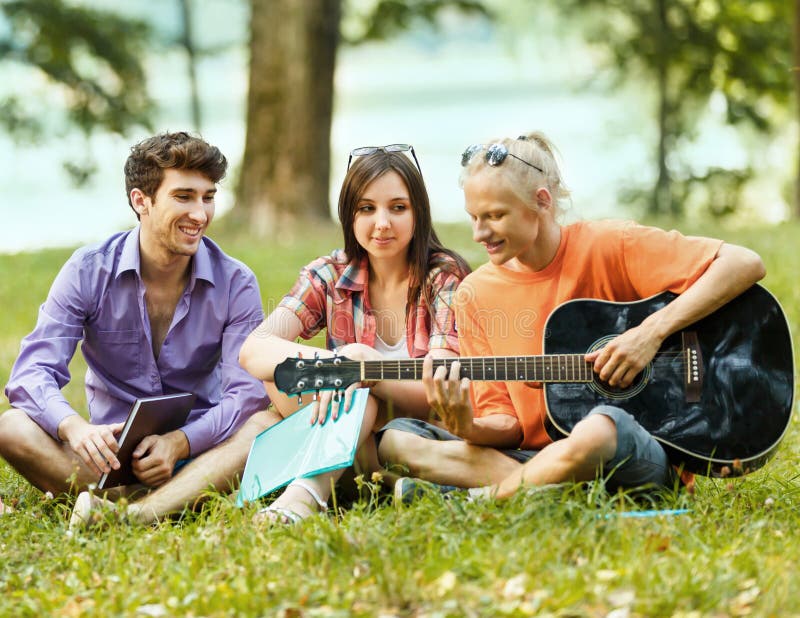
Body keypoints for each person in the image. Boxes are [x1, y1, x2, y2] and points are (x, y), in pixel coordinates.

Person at [377, 131, 766, 501]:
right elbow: (508, 425)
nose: (479, 233)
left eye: (495, 215)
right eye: (473, 217)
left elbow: (743, 262)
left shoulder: (610, 245)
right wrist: (467, 426)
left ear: (542, 201)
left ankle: (485, 497)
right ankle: (553, 490)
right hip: (529, 457)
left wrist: (649, 333)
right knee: (399, 441)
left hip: (629, 449)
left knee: (597, 429)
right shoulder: (475, 294)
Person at [0, 132, 272, 526]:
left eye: (208, 197)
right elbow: (31, 373)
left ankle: (136, 512)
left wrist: (179, 443)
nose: (200, 214)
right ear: (140, 201)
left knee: (264, 425)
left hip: (201, 453)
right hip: (109, 460)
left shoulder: (236, 282)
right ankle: (166, 501)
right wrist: (76, 429)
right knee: (12, 427)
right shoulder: (88, 270)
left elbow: (245, 396)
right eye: (184, 197)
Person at [238, 144, 470, 522]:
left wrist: (371, 370)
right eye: (366, 208)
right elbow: (254, 349)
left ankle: (306, 494)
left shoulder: (443, 277)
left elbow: (440, 395)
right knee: (282, 372)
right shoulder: (330, 273)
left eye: (398, 207)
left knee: (365, 393)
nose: (382, 223)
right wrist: (339, 364)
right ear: (349, 213)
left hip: (411, 440)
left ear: (418, 213)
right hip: (349, 442)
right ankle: (332, 484)